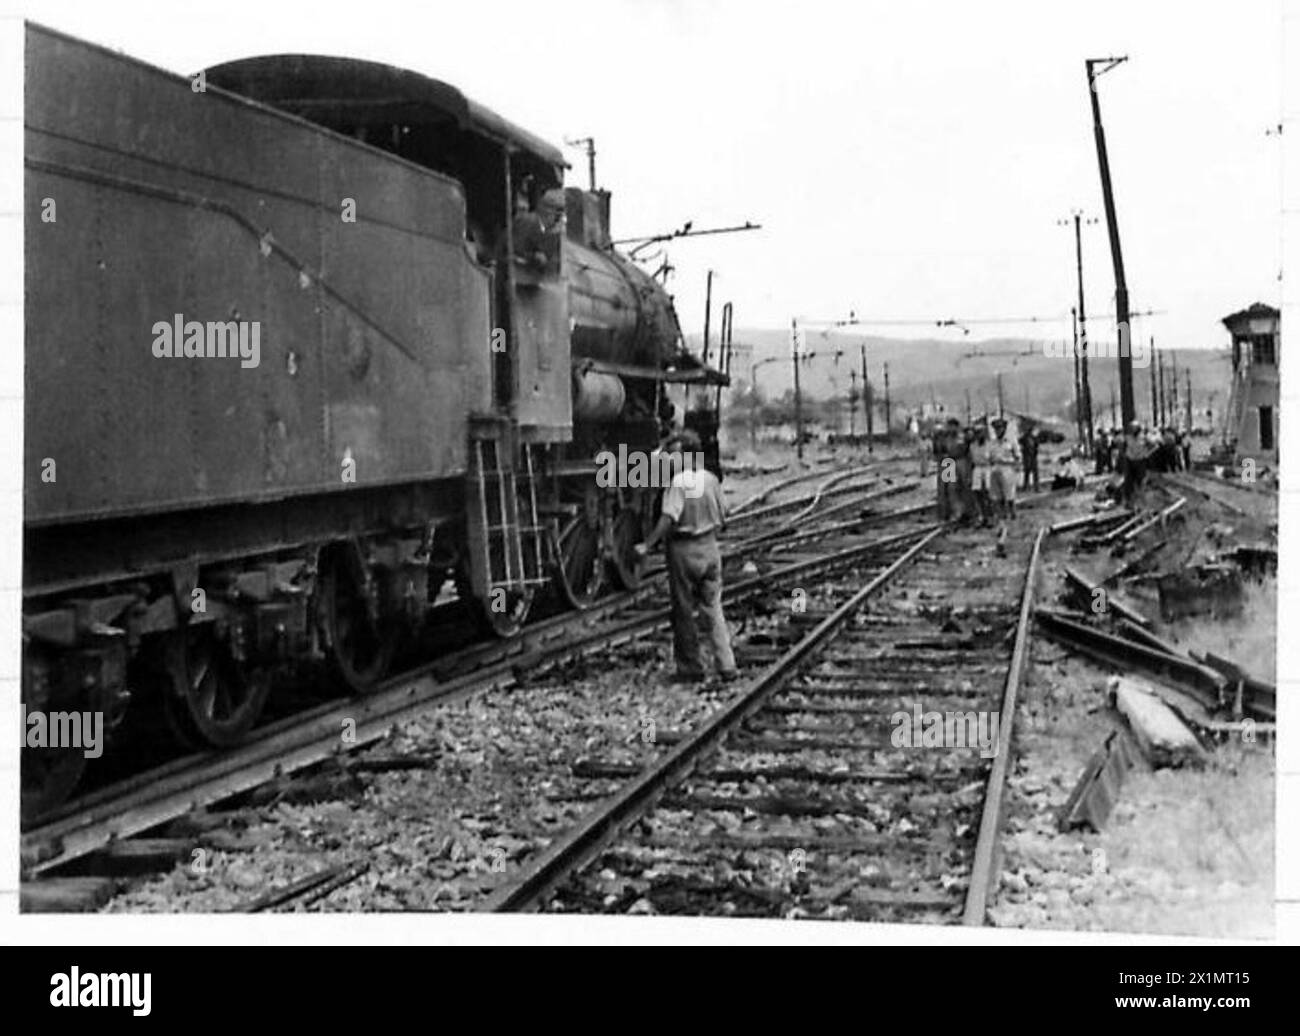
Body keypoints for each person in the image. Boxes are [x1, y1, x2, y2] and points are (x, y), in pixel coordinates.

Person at [636, 430, 737, 684]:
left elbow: (668, 518)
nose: (669, 460)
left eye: (673, 455)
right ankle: (727, 665)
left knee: (683, 611)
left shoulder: (679, 484)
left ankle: (690, 668)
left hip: (684, 551)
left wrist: (647, 545)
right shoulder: (711, 480)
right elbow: (726, 514)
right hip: (710, 548)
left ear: (685, 456)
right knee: (713, 608)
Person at [512, 187, 565, 273]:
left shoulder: (552, 231)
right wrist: (534, 257)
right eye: (557, 215)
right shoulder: (528, 223)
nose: (559, 219)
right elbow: (514, 250)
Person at [969, 423, 992, 527]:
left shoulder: (990, 445)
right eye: (977, 433)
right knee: (976, 493)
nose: (979, 435)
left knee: (987, 493)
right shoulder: (972, 445)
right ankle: (980, 516)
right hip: (977, 469)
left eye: (981, 433)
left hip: (987, 468)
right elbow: (971, 460)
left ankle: (990, 516)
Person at [1019, 422, 1040, 491]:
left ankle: (1036, 487)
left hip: (1033, 457)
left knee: (1035, 473)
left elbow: (1037, 446)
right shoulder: (1024, 438)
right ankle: (1025, 487)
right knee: (1027, 473)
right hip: (1027, 458)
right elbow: (1020, 443)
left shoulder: (1034, 438)